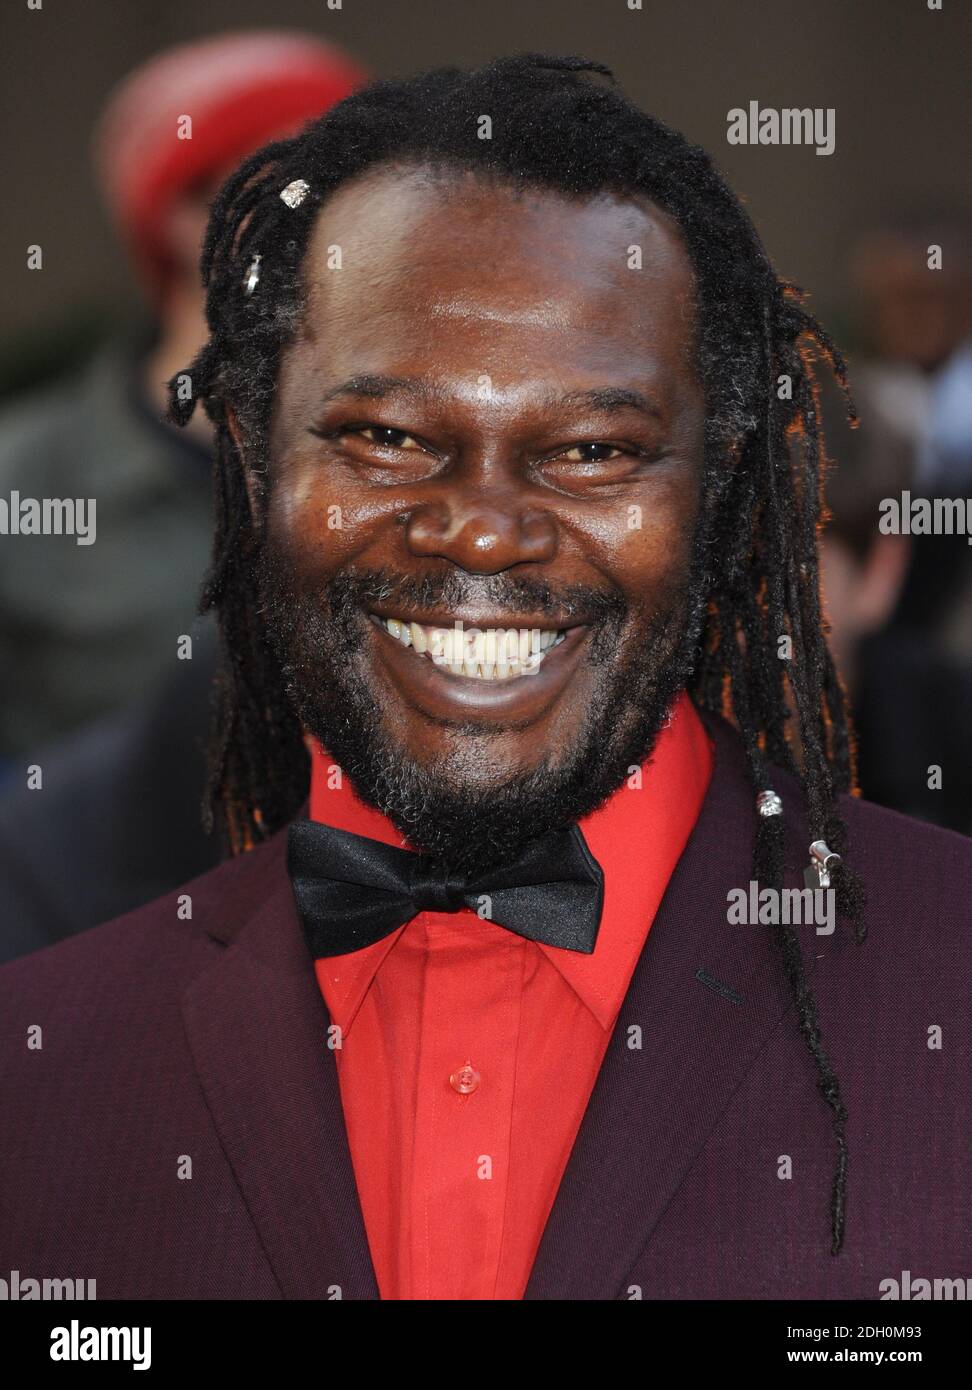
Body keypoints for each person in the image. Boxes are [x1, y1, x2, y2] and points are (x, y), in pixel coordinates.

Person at [1, 55, 969, 1302]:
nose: (481, 530)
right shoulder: (39, 1066)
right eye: (391, 438)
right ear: (248, 457)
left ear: (720, 491)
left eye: (591, 450)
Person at [0, 30, 366, 758]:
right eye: (279, 189)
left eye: (351, 193)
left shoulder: (428, 443)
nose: (319, 226)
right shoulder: (22, 480)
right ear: (174, 216)